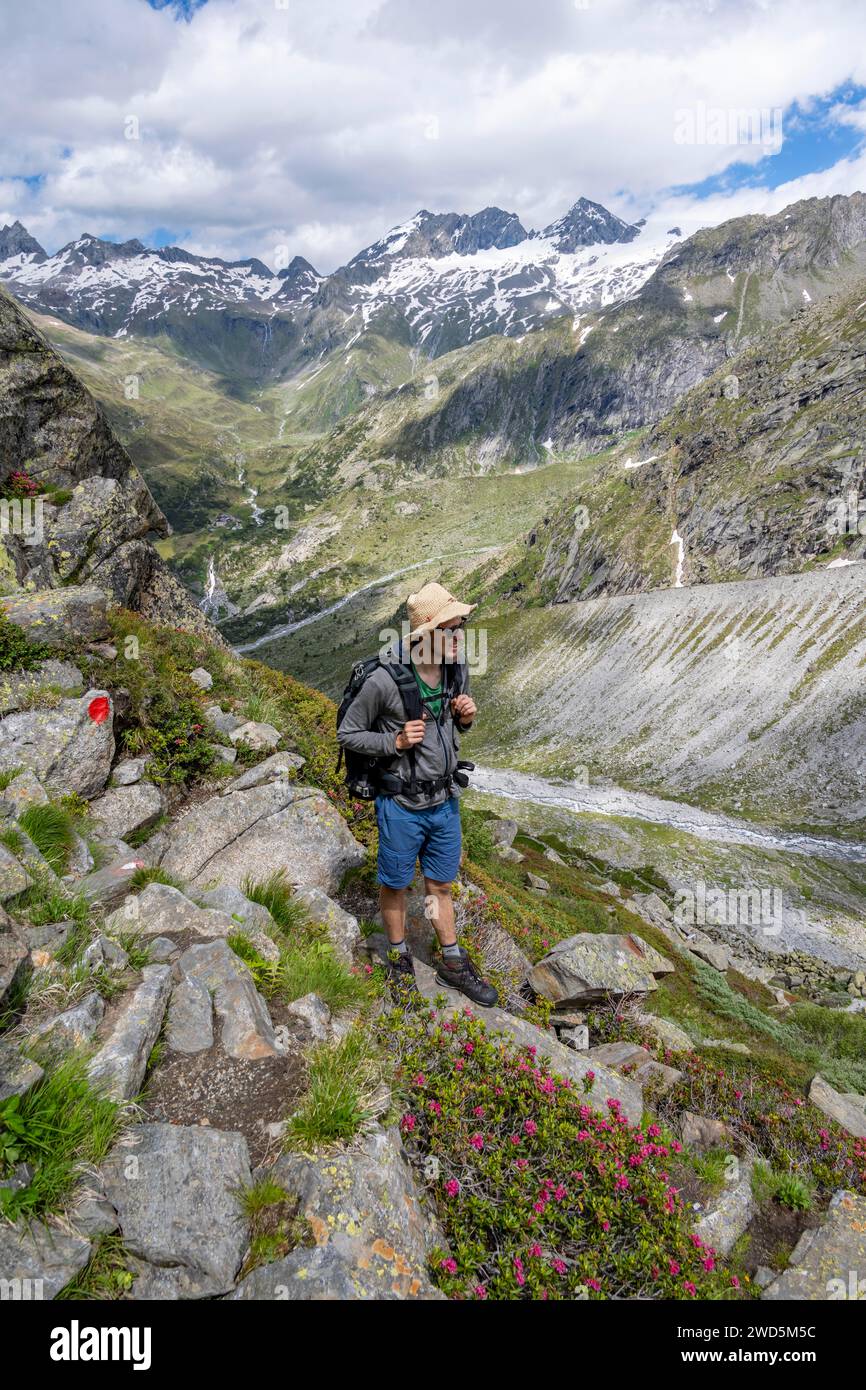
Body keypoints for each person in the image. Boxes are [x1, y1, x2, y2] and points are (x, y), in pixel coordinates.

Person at [336, 581, 498, 1006]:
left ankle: (451, 963)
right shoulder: (383, 682)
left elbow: (449, 732)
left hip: (445, 802)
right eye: (452, 628)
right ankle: (398, 957)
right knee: (395, 885)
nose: (460, 637)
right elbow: (348, 733)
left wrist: (464, 719)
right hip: (402, 805)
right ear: (425, 631)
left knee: (440, 886)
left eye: (462, 627)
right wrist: (394, 743)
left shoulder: (453, 669)